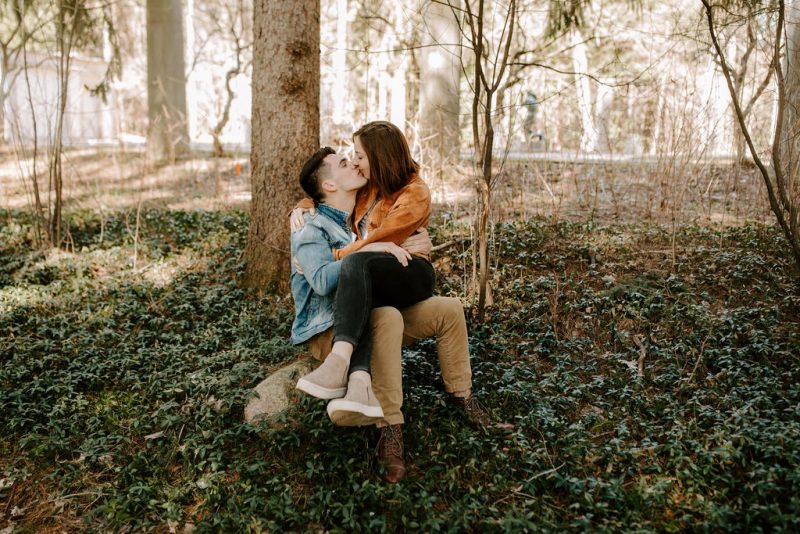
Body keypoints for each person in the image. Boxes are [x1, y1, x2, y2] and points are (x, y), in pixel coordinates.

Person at [290, 146, 507, 483]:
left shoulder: (364, 223)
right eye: (344, 164)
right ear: (330, 186)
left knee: (448, 309)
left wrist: (409, 246)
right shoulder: (310, 228)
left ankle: (463, 398)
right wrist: (370, 249)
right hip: (330, 332)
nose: (355, 164)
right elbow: (319, 282)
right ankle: (388, 429)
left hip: (371, 319)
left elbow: (404, 207)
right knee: (387, 317)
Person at [295, 122, 436, 420]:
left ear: (379, 156)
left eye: (358, 155)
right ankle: (359, 385)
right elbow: (324, 193)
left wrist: (336, 255)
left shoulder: (415, 193)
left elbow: (378, 241)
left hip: (413, 270)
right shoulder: (369, 188)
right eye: (351, 158)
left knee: (359, 265)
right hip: (377, 271)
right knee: (366, 292)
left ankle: (339, 363)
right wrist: (302, 205)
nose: (356, 163)